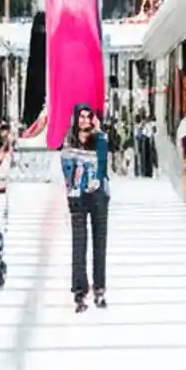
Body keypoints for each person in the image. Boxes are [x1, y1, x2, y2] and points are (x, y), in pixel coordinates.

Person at [61, 103, 110, 313]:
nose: (85, 120)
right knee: (78, 244)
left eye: (88, 117)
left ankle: (99, 288)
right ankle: (79, 290)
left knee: (100, 243)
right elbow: (65, 168)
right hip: (77, 197)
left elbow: (103, 162)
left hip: (98, 196)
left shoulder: (99, 140)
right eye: (81, 117)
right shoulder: (69, 140)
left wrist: (99, 131)